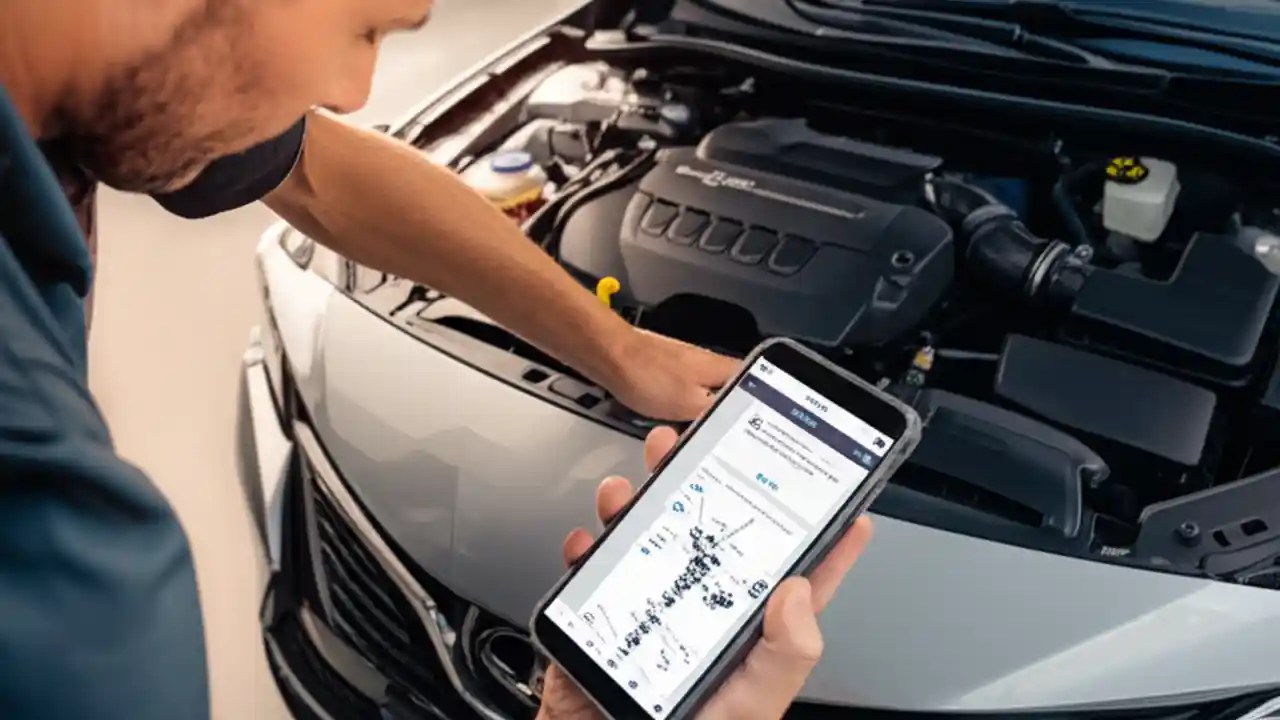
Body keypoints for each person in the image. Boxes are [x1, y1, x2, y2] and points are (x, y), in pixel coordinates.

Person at [0, 1, 871, 718]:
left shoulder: (90, 57)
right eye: (367, 28)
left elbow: (310, 171)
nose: (351, 93)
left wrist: (619, 349)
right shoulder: (57, 541)